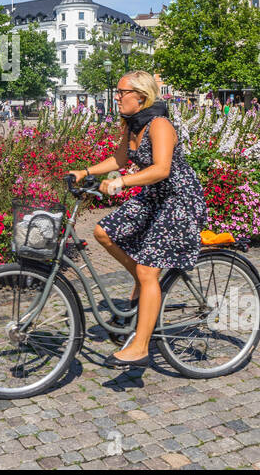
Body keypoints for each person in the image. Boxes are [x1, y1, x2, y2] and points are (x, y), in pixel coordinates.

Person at [68, 70, 209, 369]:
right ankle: (143, 284)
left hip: (178, 199)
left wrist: (121, 183)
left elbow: (161, 169)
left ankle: (140, 347)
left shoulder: (159, 124)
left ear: (141, 96)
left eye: (121, 92)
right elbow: (119, 160)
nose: (116, 97)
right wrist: (87, 172)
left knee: (147, 271)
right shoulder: (132, 126)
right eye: (117, 92)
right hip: (154, 197)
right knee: (103, 232)